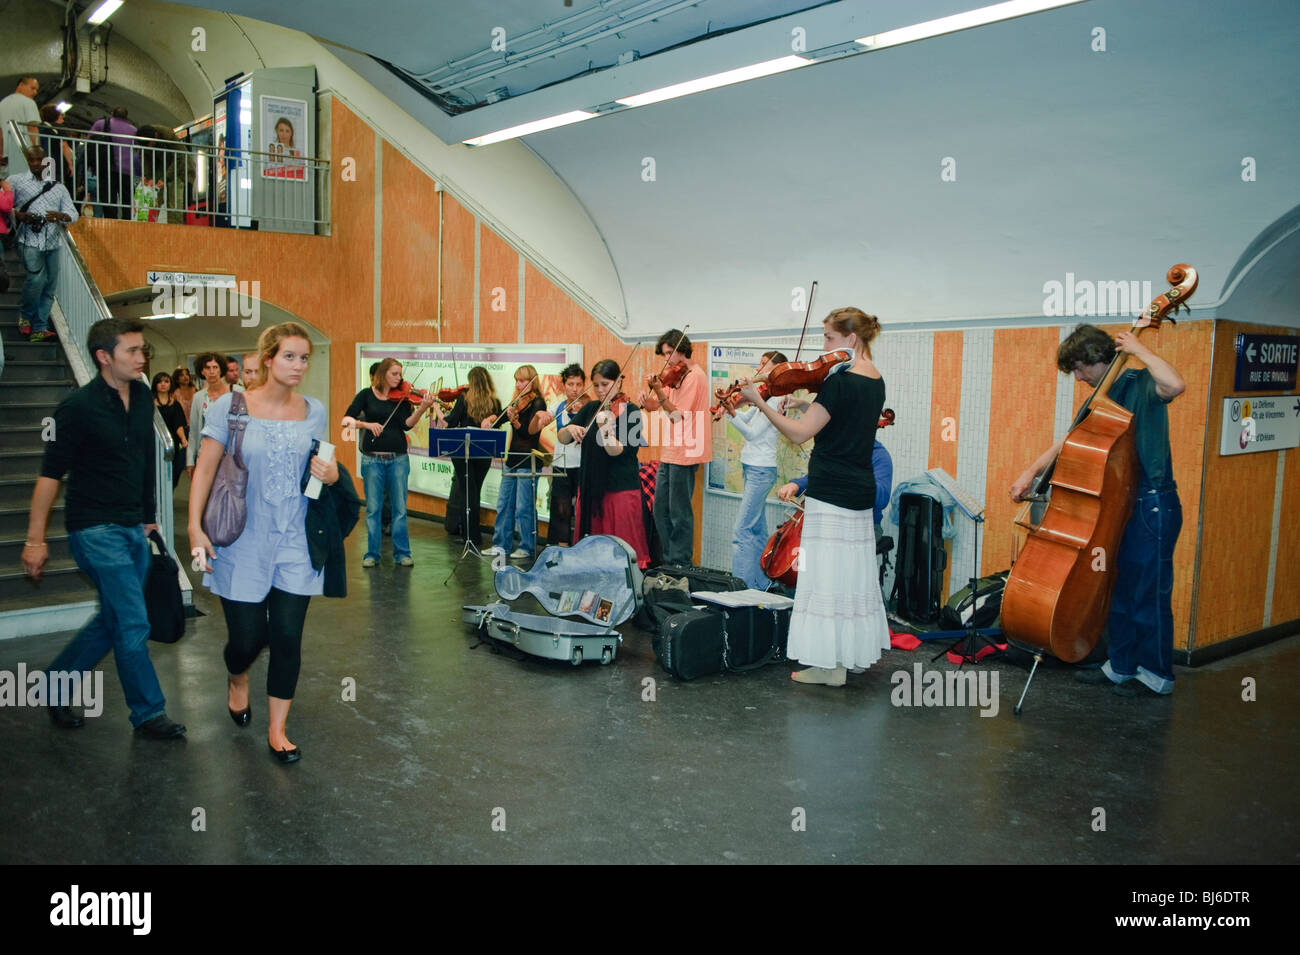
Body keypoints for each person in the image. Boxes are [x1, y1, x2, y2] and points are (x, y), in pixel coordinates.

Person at [22, 318, 185, 738]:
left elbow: (146, 460)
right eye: (131, 351)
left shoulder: (145, 396)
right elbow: (49, 476)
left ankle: (53, 686)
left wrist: (149, 516)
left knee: (112, 620)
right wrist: (35, 540)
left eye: (142, 349)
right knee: (132, 622)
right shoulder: (77, 409)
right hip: (95, 531)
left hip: (133, 525)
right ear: (103, 357)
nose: (141, 357)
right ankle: (149, 712)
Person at [188, 322, 340, 763]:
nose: (298, 366)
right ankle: (238, 677)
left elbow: (322, 462)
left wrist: (330, 473)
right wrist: (196, 528)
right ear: (268, 359)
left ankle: (278, 730)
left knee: (288, 636)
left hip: (296, 538)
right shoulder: (230, 408)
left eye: (305, 357)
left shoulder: (314, 409)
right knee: (248, 638)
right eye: (289, 356)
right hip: (242, 539)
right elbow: (204, 468)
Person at [1011, 323, 1186, 697]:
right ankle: (1122, 666)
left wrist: (1139, 348)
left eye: (1079, 368)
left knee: (1148, 592)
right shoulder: (1102, 396)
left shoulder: (1140, 383)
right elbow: (1070, 440)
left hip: (1151, 503)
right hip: (1118, 505)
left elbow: (1175, 385)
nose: (1077, 378)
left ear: (1097, 358)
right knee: (1117, 589)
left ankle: (1156, 674)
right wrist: (1031, 472)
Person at [737, 308, 889, 687]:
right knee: (852, 578)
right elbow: (845, 422)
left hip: (830, 490)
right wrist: (809, 404)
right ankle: (850, 657)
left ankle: (827, 666)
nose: (824, 347)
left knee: (822, 578)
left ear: (851, 339)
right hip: (859, 492)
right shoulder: (876, 380)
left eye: (829, 338)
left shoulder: (839, 382)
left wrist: (758, 401)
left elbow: (800, 434)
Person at [341, 358, 435, 567]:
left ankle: (402, 553)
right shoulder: (366, 395)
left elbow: (406, 425)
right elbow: (346, 420)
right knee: (373, 509)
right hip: (372, 460)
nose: (399, 378)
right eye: (395, 374)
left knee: (400, 509)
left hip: (398, 459)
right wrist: (367, 423)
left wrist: (421, 409)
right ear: (383, 373)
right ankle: (372, 554)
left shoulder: (400, 399)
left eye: (400, 374)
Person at [560, 360, 650, 566]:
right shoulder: (591, 407)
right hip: (593, 489)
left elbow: (617, 451)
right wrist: (569, 430)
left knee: (622, 557)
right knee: (593, 558)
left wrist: (606, 430)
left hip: (619, 491)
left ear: (618, 382)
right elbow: (562, 438)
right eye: (596, 385)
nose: (600, 390)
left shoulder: (632, 411)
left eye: (605, 384)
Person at [638, 329, 711, 566]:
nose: (667, 359)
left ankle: (680, 562)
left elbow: (678, 415)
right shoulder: (675, 375)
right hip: (670, 450)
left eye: (670, 353)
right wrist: (647, 400)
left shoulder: (695, 376)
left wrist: (659, 391)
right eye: (665, 355)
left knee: (679, 512)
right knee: (660, 509)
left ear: (682, 350)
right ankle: (669, 560)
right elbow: (659, 405)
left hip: (688, 450)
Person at [725, 350, 787, 590]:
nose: (759, 368)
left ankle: (738, 588)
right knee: (758, 529)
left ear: (777, 369)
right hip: (751, 467)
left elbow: (751, 432)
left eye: (764, 364)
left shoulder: (774, 400)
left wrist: (730, 413)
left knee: (741, 530)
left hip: (762, 470)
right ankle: (763, 583)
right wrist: (731, 407)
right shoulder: (766, 394)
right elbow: (747, 417)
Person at [9, 146, 79, 343]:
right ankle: (25, 316)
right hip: (29, 239)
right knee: (37, 279)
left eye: (38, 160)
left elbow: (73, 214)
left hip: (53, 242)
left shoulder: (58, 187)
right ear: (27, 160)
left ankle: (39, 326)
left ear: (45, 160)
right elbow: (4, 204)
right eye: (31, 160)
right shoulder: (16, 181)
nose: (35, 164)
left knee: (50, 286)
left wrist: (61, 216)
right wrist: (19, 215)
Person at [484, 366, 552, 559]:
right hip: (512, 459)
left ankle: (526, 546)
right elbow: (499, 421)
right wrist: (492, 419)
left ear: (532, 381)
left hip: (528, 459)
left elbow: (531, 434)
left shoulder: (538, 403)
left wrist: (515, 422)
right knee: (504, 504)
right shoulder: (517, 401)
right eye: (517, 381)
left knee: (524, 507)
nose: (519, 384)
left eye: (522, 381)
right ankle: (500, 545)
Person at [435, 366, 500, 545]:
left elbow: (449, 424)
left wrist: (436, 407)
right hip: (484, 453)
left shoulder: (464, 399)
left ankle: (469, 536)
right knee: (475, 492)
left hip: (463, 452)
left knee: (466, 493)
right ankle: (474, 535)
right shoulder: (495, 402)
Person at [778, 439, 893, 537]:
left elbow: (881, 499)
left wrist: (854, 479)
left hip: (863, 526)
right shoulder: (839, 449)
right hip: (828, 521)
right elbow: (819, 476)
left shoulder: (880, 455)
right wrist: (796, 485)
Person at [547, 364, 588, 547]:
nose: (575, 389)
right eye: (570, 384)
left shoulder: (590, 406)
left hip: (582, 464)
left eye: (579, 384)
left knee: (582, 510)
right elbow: (542, 421)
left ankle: (582, 548)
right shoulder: (558, 406)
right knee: (561, 510)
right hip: (561, 464)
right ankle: (561, 549)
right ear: (564, 385)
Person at [88, 107, 137, 220]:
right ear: (127, 116)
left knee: (108, 197)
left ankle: (111, 221)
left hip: (106, 167)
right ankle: (127, 221)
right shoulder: (133, 130)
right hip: (127, 170)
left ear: (112, 114)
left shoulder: (101, 124)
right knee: (127, 198)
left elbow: (89, 140)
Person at [187, 352, 231, 474]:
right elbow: (194, 431)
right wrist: (190, 460)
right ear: (202, 372)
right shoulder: (198, 397)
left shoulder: (236, 392)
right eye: (207, 368)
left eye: (215, 367)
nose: (211, 371)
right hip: (206, 454)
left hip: (230, 456)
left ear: (220, 370)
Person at [151, 371, 189, 488]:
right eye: (160, 382)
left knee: (174, 472)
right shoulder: (149, 404)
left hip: (172, 443)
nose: (163, 384)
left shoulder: (176, 405)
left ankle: (169, 494)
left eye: (166, 381)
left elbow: (179, 425)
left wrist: (183, 439)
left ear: (170, 384)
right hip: (154, 443)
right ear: (155, 385)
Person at [0, 76, 40, 180]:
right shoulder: (29, 102)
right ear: (21, 85)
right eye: (33, 88)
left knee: (7, 186)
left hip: (6, 156)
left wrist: (0, 153)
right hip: (23, 152)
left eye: (36, 89)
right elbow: (32, 128)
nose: (35, 92)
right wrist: (37, 152)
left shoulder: (2, 103)